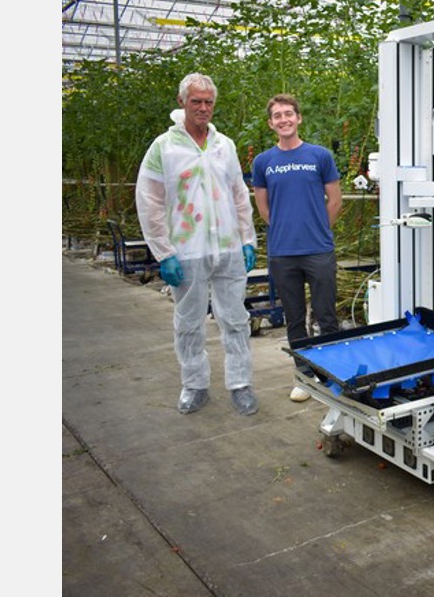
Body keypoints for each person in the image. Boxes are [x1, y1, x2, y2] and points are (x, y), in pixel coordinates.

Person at [136, 72, 260, 415]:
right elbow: (149, 200)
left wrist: (247, 239)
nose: (203, 108)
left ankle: (240, 383)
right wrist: (164, 252)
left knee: (235, 318)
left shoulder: (225, 145)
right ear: (182, 102)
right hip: (186, 250)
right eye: (196, 101)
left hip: (228, 248)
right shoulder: (165, 147)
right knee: (189, 322)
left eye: (208, 102)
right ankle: (194, 385)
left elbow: (238, 194)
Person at [251, 94, 343, 402]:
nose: (284, 119)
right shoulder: (263, 162)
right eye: (277, 116)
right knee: (294, 318)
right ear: (271, 124)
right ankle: (304, 377)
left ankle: (332, 377)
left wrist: (316, 228)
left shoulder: (319, 156)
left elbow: (336, 200)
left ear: (299, 118)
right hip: (282, 253)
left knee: (326, 316)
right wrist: (285, 230)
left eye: (288, 114)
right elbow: (263, 207)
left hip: (318, 249)